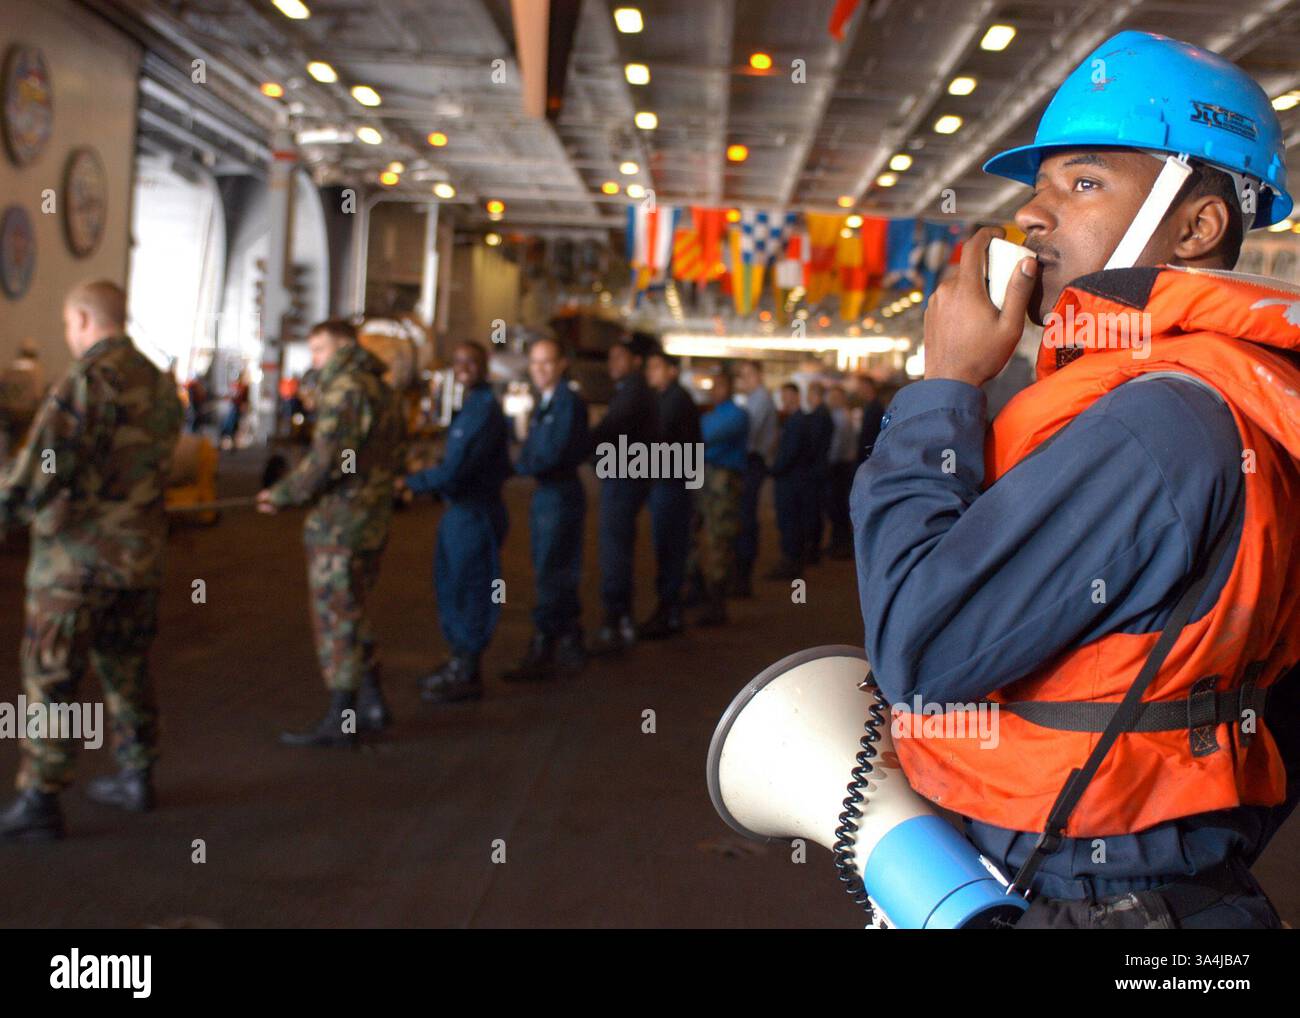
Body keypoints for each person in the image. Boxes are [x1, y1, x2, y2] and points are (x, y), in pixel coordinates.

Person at [852, 30, 1300, 929]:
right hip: (1162, 893)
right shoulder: (1222, 392)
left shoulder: (1158, 420)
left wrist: (943, 386)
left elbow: (923, 655)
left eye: (1083, 182)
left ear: (1197, 224)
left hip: (1097, 901)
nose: (1033, 215)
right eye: (1041, 184)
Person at [0, 281, 182, 839]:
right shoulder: (158, 382)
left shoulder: (84, 381)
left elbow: (39, 472)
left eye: (67, 324)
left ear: (82, 319)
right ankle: (137, 776)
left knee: (52, 677)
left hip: (75, 567)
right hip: (139, 561)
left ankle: (41, 801)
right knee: (126, 668)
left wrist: (8, 507)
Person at [257, 320, 403, 747]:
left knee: (336, 617)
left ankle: (343, 720)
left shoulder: (346, 388)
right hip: (372, 517)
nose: (315, 359)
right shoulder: (383, 389)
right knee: (354, 608)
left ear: (339, 347)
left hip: (341, 522)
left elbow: (329, 460)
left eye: (319, 349)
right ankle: (373, 704)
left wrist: (283, 494)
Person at [400, 342, 511, 703]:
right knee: (453, 586)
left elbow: (455, 471)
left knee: (470, 589)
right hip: (460, 513)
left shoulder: (482, 411)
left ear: (485, 365)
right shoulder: (471, 407)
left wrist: (411, 483)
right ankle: (457, 661)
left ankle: (467, 671)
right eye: (459, 361)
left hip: (474, 513)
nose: (464, 367)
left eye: (472, 361)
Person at [503, 338, 590, 683]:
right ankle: (568, 640)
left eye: (546, 362)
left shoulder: (567, 403)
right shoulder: (548, 401)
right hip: (550, 493)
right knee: (554, 566)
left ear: (562, 364)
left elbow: (551, 452)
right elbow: (534, 448)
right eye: (535, 363)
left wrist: (520, 467)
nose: (539, 369)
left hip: (559, 494)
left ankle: (545, 647)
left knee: (552, 568)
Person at [588, 334, 659, 655]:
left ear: (636, 362)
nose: (612, 364)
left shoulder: (633, 394)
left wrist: (581, 441)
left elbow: (608, 431)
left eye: (620, 357)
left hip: (624, 480)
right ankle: (620, 619)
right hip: (626, 478)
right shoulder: (630, 392)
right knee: (617, 550)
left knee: (615, 551)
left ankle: (615, 622)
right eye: (611, 357)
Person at [640, 349, 700, 640]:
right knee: (669, 549)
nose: (651, 372)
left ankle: (669, 612)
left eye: (656, 367)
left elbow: (659, 441)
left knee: (670, 550)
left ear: (672, 371)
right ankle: (669, 610)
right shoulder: (668, 399)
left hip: (671, 486)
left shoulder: (674, 401)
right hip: (670, 484)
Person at [694, 370, 748, 625]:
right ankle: (707, 595)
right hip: (710, 479)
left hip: (723, 482)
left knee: (720, 540)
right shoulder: (715, 415)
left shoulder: (735, 415)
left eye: (719, 386)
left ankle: (717, 602)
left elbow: (702, 438)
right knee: (709, 539)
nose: (715, 391)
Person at [733, 360, 777, 597]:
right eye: (742, 375)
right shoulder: (754, 399)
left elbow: (747, 433)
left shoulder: (760, 400)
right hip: (750, 462)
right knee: (743, 516)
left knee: (745, 516)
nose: (744, 380)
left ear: (759, 375)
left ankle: (742, 575)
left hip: (752, 462)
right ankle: (740, 572)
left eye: (748, 375)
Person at [766, 383, 809, 581]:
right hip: (791, 479)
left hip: (790, 481)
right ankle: (791, 562)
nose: (783, 400)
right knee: (790, 522)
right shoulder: (795, 420)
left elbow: (789, 453)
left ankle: (790, 564)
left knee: (789, 522)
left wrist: (773, 470)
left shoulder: (797, 421)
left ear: (795, 396)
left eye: (786, 396)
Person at [802, 381, 834, 566]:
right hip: (819, 468)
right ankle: (813, 549)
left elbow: (812, 445)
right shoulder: (823, 414)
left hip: (814, 469)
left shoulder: (819, 416)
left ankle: (813, 550)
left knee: (812, 511)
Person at [824, 385, 857, 560]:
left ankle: (841, 545)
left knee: (838, 507)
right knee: (839, 507)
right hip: (843, 466)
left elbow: (837, 446)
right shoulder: (842, 415)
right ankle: (839, 543)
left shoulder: (840, 418)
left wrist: (827, 463)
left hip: (840, 467)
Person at [854, 374, 884, 463]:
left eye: (860, 387)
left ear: (868, 387)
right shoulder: (869, 406)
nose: (858, 391)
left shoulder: (875, 408)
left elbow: (871, 433)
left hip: (869, 455)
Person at [219, 370, 249, 449]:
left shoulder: (244, 387)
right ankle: (228, 439)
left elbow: (244, 398)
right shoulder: (237, 386)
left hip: (237, 408)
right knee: (231, 423)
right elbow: (234, 396)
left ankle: (232, 440)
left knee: (234, 423)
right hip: (234, 407)